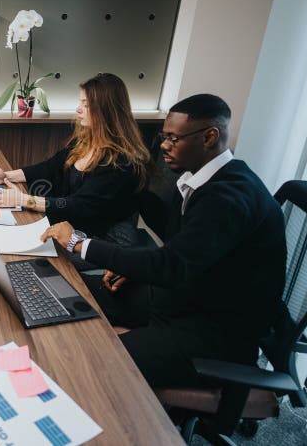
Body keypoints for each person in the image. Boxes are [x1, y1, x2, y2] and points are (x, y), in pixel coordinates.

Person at [41, 94, 286, 388]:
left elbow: (170, 265)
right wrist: (133, 268)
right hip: (183, 295)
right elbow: (181, 252)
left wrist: (79, 244)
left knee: (97, 365)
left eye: (173, 139)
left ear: (209, 137)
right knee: (64, 291)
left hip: (212, 328)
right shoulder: (198, 180)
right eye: (163, 137)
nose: (163, 146)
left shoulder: (230, 198)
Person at [0, 73, 151, 252]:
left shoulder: (121, 163)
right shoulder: (85, 141)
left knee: (14, 249)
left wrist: (25, 200)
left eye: (86, 105)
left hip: (103, 244)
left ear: (107, 111)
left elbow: (79, 205)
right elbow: (50, 167)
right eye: (80, 102)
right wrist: (6, 176)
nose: (78, 109)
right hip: (74, 229)